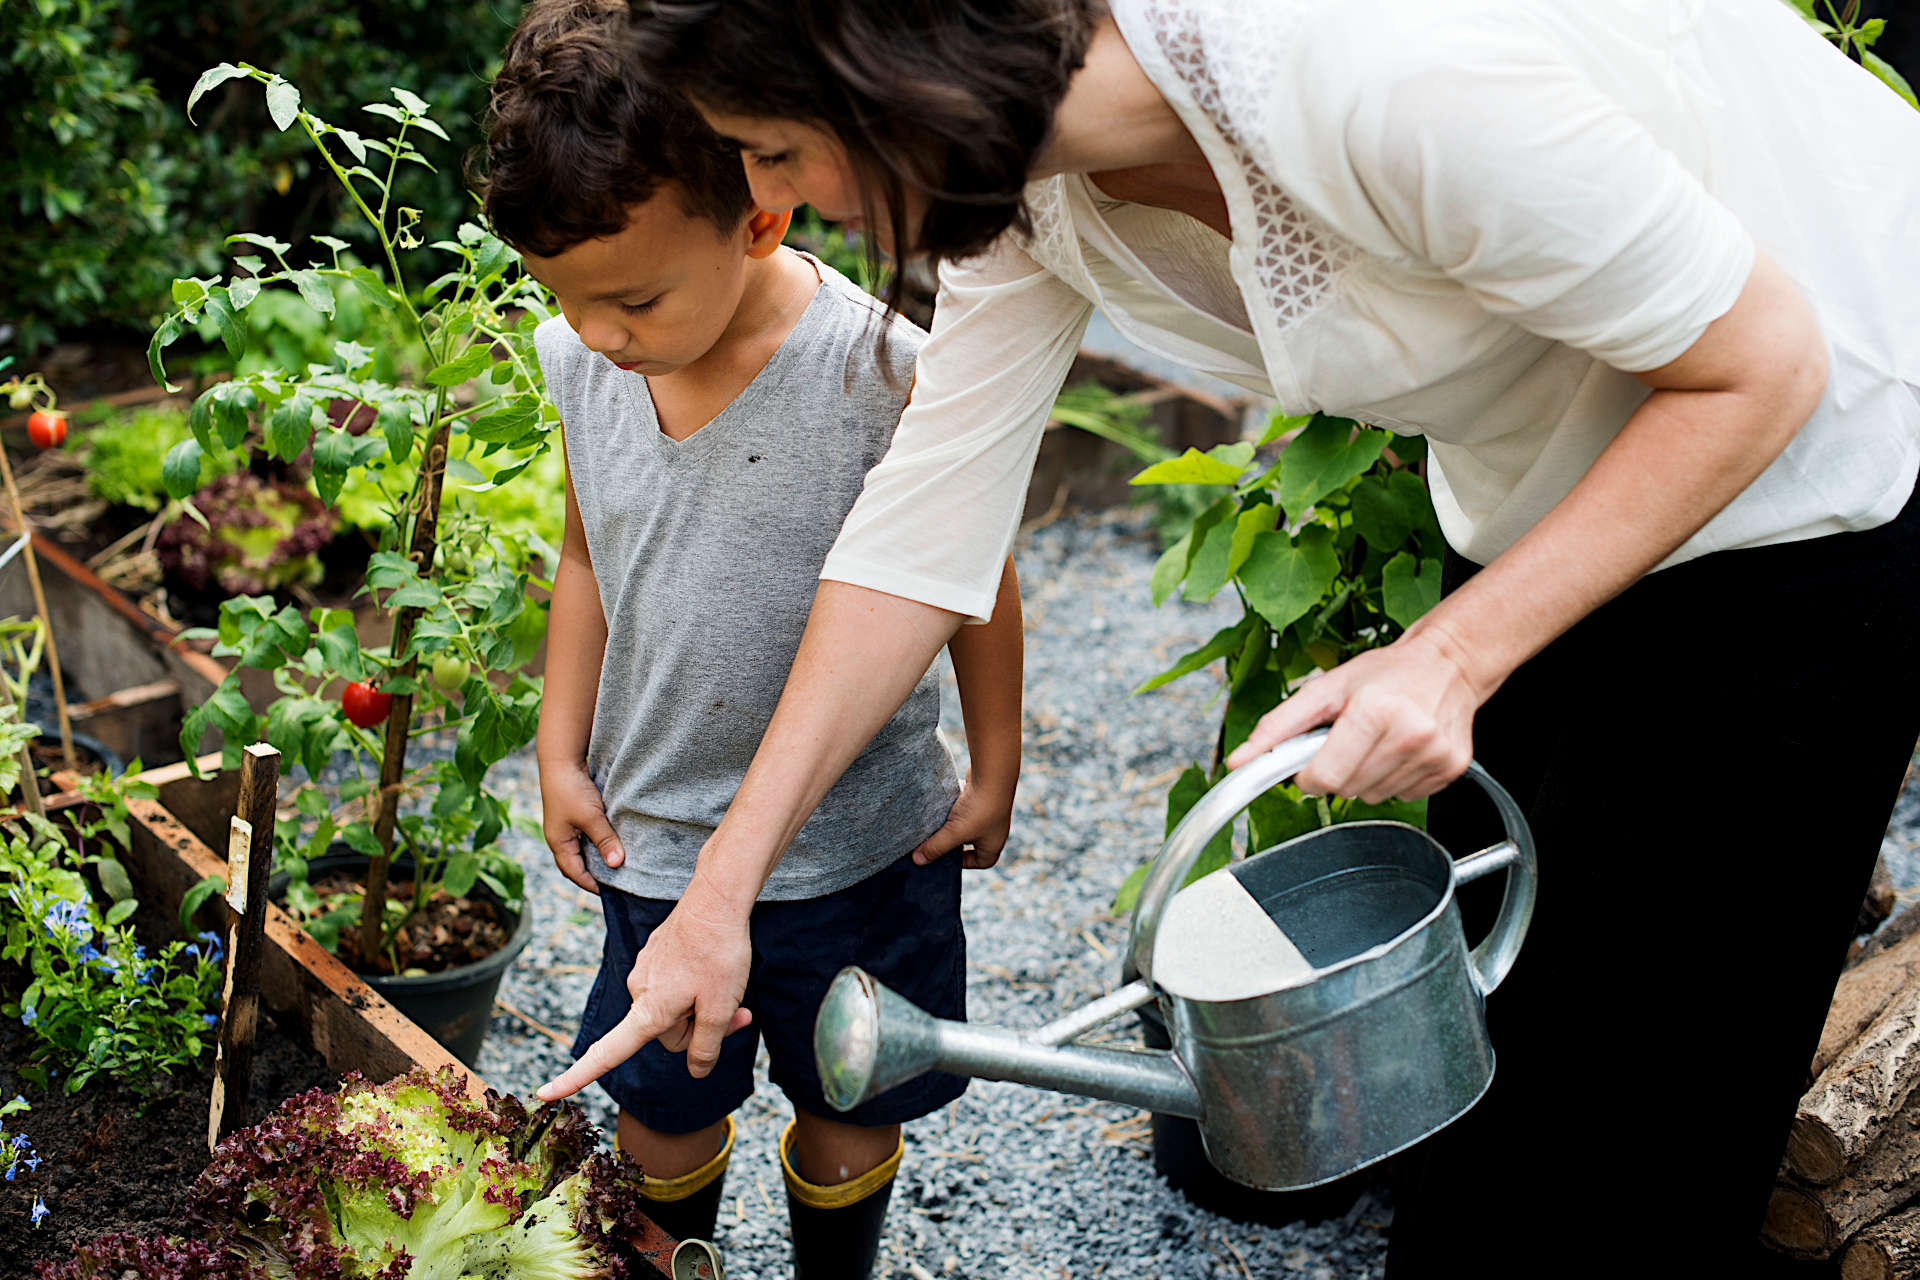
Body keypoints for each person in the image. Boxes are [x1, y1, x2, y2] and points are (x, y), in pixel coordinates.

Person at [538, 0, 1920, 1273]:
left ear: (893, 76)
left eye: (776, 148)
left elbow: (1766, 363)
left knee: (1619, 1133)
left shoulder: (1365, 68)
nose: (768, 200)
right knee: (1481, 1059)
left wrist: (1449, 652)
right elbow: (917, 543)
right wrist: (720, 893)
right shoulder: (1020, 191)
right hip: (1559, 483)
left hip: (1816, 456)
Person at [480, 4, 1025, 1275]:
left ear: (761, 216)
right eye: (562, 300)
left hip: (860, 847)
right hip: (661, 842)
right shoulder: (581, 356)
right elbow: (584, 552)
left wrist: (991, 764)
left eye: (633, 299)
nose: (596, 336)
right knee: (662, 1108)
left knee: (851, 1095)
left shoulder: (877, 370)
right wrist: (561, 747)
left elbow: (971, 575)